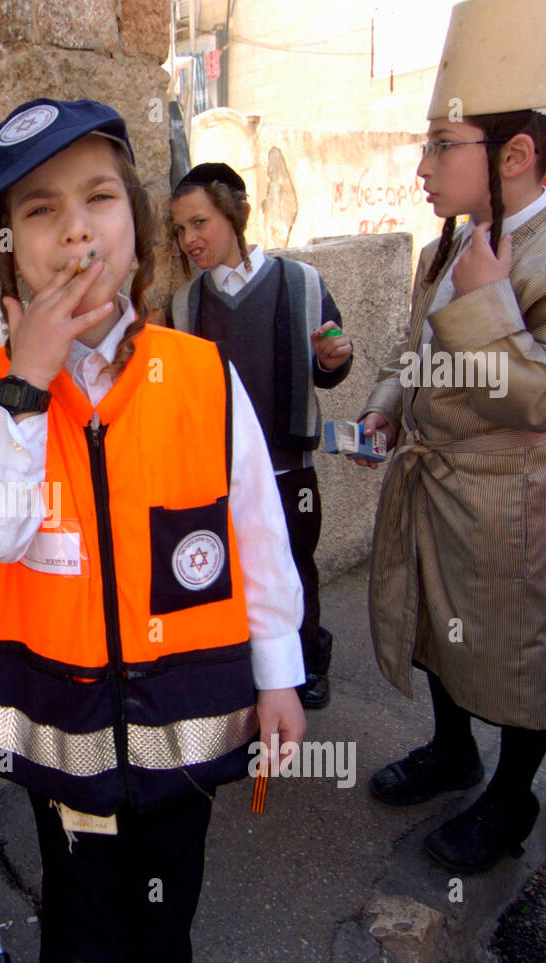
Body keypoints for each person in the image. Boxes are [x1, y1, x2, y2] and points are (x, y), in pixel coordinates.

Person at [0, 98, 306, 963]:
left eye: (100, 198)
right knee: (82, 929)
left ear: (137, 234)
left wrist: (280, 676)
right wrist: (27, 382)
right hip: (58, 729)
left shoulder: (199, 374)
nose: (75, 230)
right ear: (7, 250)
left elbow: (257, 536)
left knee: (168, 919)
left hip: (183, 722)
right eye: (39, 210)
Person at [350, 0, 546, 873]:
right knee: (440, 626)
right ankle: (453, 750)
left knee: (511, 650)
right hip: (437, 484)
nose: (424, 164)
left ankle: (511, 801)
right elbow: (415, 349)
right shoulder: (451, 247)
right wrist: (392, 401)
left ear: (513, 155)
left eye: (441, 143)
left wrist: (482, 305)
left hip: (506, 498)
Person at [168, 163, 353, 708]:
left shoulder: (302, 283)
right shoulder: (186, 304)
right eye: (179, 230)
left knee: (295, 566)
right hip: (217, 468)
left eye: (199, 223)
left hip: (288, 465)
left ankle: (310, 662)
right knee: (233, 571)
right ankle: (250, 668)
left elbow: (332, 362)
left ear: (235, 214)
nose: (188, 240)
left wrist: (332, 358)